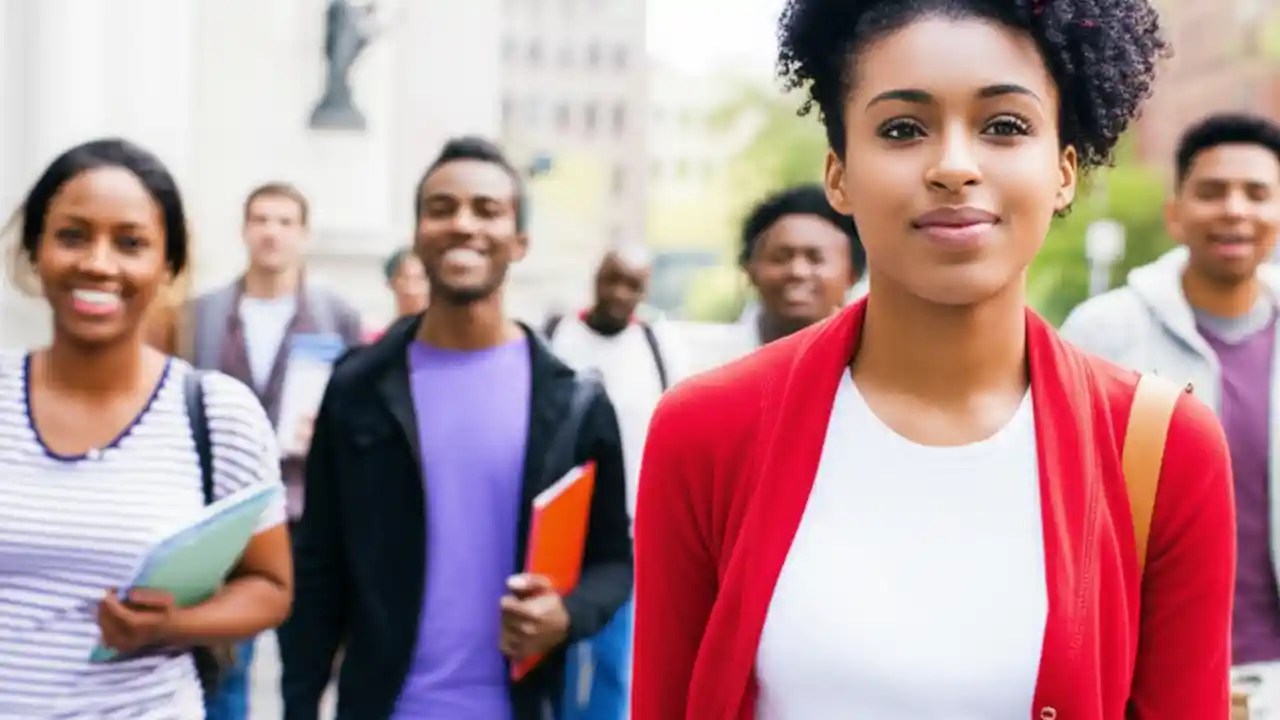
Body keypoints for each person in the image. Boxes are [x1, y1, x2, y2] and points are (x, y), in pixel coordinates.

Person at [632, 0, 1234, 718]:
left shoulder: (1163, 450)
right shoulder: (705, 431)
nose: (953, 166)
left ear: (1064, 172)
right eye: (902, 129)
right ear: (839, 175)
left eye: (1004, 126)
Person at [279, 136, 633, 720]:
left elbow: (615, 561)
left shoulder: (575, 402)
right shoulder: (358, 388)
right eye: (441, 209)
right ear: (419, 234)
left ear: (519, 241)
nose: (463, 224)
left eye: (487, 210)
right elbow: (318, 568)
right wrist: (299, 706)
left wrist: (566, 615)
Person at [0, 139, 293, 716]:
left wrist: (173, 625)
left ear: (168, 266)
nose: (98, 263)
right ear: (35, 249)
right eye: (72, 236)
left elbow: (270, 587)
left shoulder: (218, 414)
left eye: (130, 243)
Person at [1061, 113, 1280, 714]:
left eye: (1256, 193)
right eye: (1212, 192)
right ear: (1175, 212)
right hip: (1148, 674)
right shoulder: (1105, 331)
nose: (1234, 210)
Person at [180, 181, 362, 720]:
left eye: (284, 221)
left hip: (305, 515)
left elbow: (357, 414)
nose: (271, 232)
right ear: (244, 229)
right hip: (220, 515)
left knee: (304, 670)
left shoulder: (336, 315)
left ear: (304, 234)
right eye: (261, 219)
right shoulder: (202, 314)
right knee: (222, 665)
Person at [544, 244, 687, 720]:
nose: (619, 293)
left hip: (631, 526)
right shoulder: (557, 336)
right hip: (562, 523)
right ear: (595, 278)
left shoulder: (657, 346)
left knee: (616, 653)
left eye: (633, 285)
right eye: (611, 279)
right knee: (553, 646)